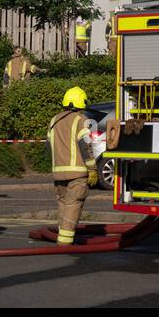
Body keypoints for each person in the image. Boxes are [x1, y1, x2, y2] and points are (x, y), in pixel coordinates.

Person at [49, 86, 97, 246]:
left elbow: (48, 145)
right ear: (82, 102)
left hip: (58, 172)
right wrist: (92, 168)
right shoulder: (81, 120)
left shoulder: (54, 120)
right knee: (73, 204)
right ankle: (65, 240)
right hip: (77, 172)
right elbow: (85, 146)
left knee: (63, 203)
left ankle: (62, 235)